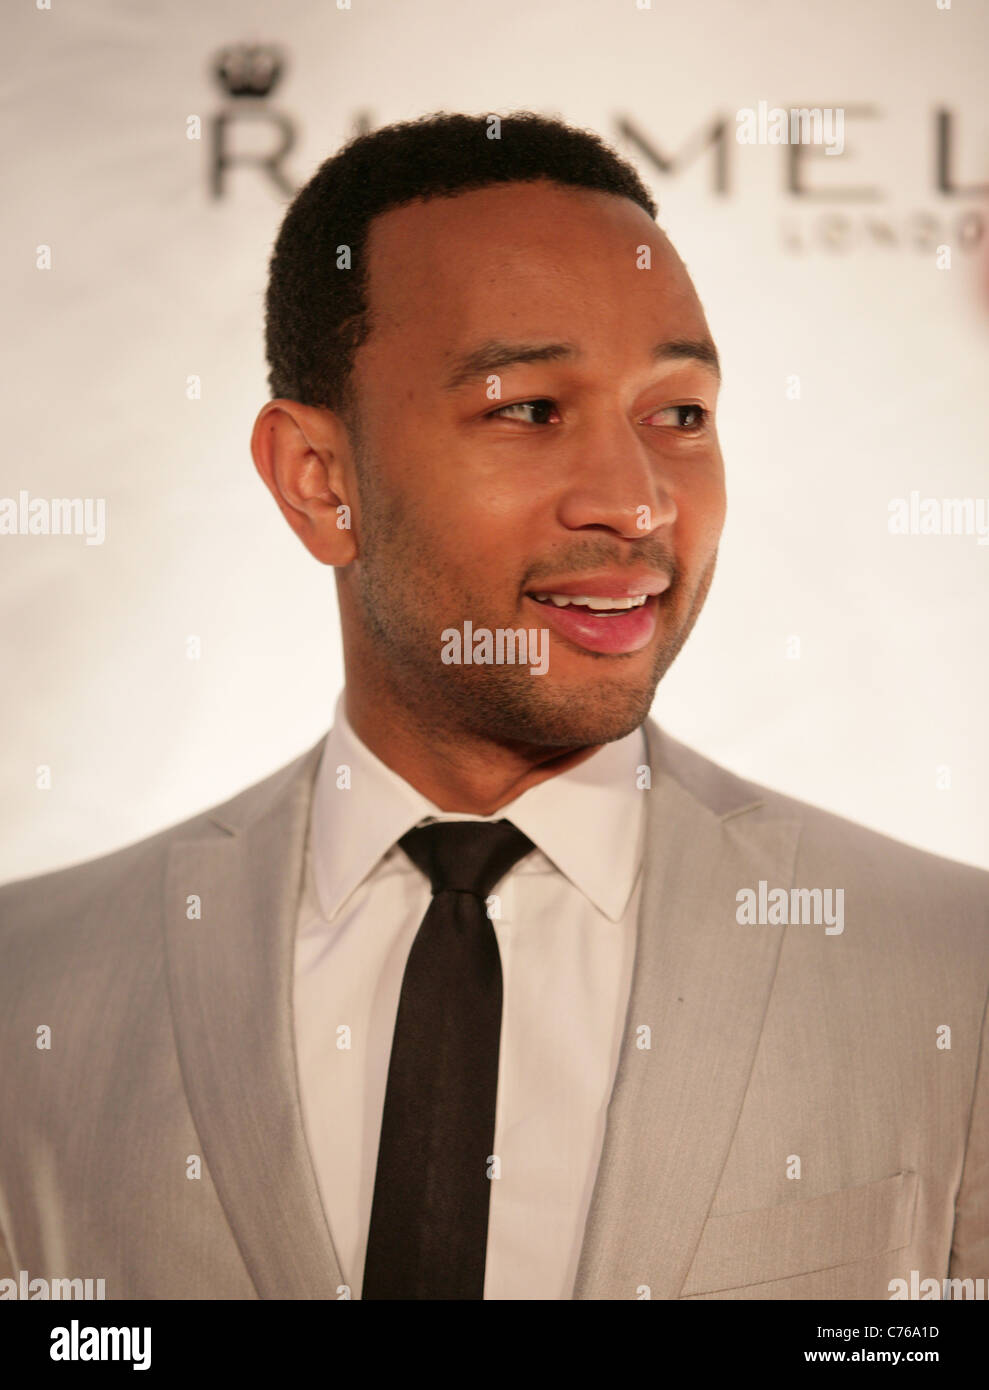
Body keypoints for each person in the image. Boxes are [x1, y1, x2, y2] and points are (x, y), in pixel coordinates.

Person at [1, 111, 986, 1302]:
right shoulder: (31, 990)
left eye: (677, 414)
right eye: (528, 410)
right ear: (320, 482)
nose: (636, 503)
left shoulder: (950, 976)